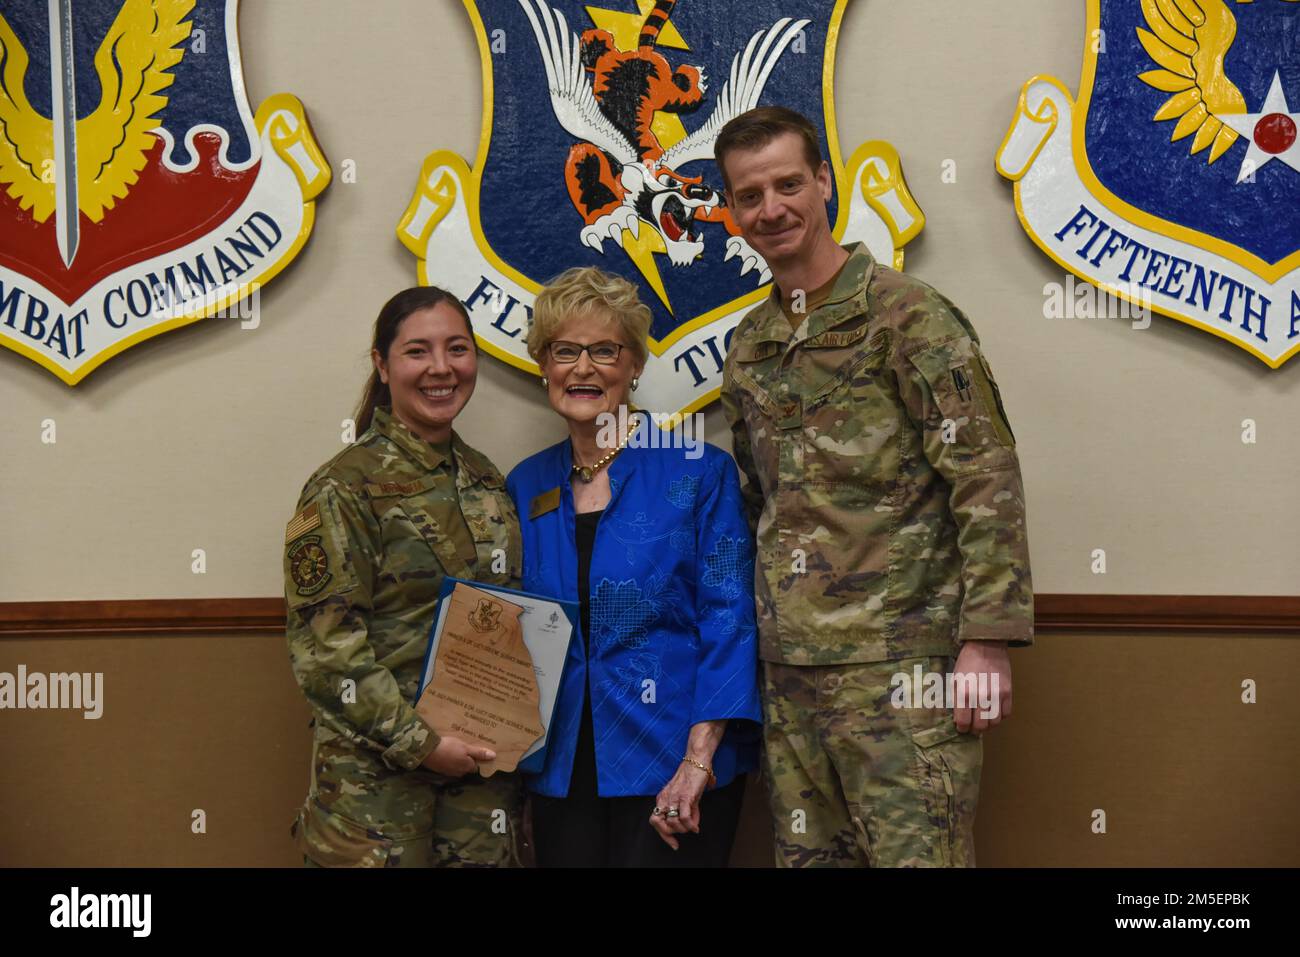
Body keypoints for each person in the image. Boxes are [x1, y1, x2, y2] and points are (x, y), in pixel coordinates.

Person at [714, 106, 1033, 867]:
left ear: (825, 182)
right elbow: (759, 501)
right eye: (750, 196)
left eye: (789, 184)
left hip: (904, 669)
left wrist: (986, 640)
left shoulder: (909, 318)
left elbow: (985, 476)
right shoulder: (750, 346)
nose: (772, 209)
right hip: (791, 672)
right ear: (732, 212)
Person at [506, 266, 761, 867]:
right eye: (564, 350)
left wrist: (699, 762)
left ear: (636, 365)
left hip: (674, 762)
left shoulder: (698, 471)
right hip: (560, 767)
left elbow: (730, 621)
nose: (583, 368)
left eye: (604, 350)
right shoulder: (523, 486)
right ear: (543, 364)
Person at [283, 286, 524, 867]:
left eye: (457, 349)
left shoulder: (485, 478)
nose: (442, 368)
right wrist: (422, 745)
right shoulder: (342, 487)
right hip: (376, 795)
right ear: (382, 365)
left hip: (477, 783)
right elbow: (327, 652)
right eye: (418, 351)